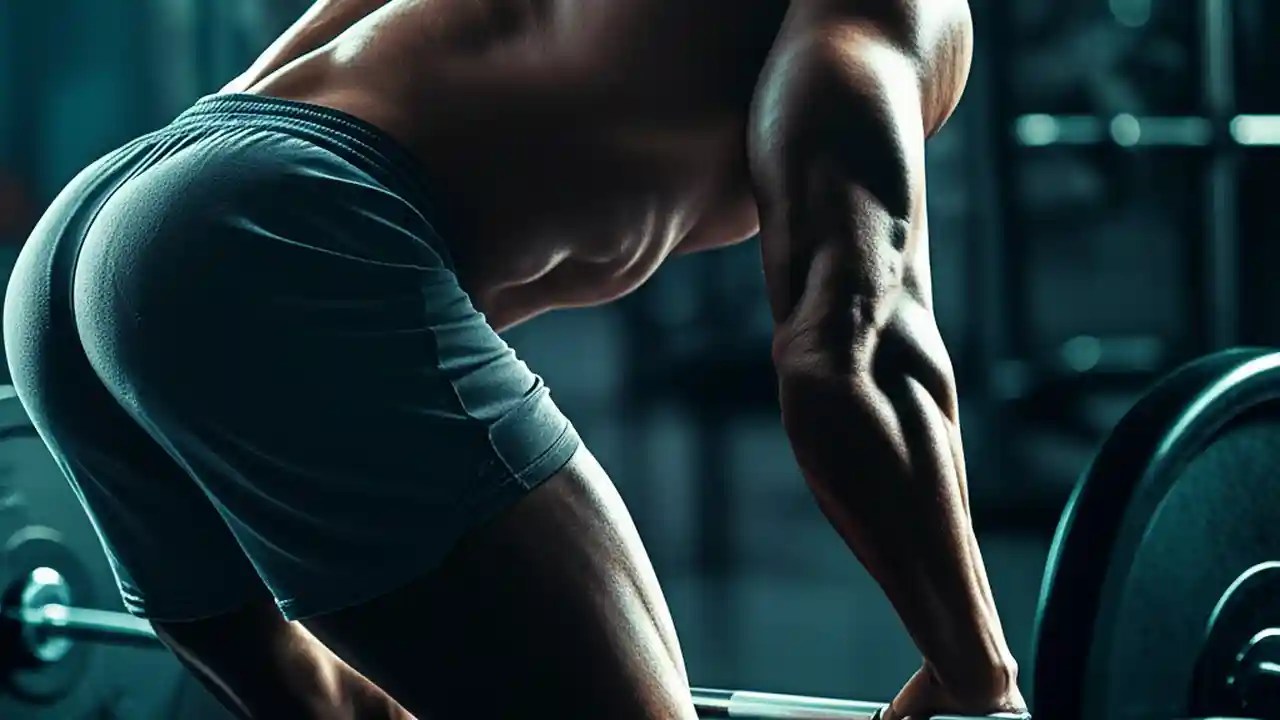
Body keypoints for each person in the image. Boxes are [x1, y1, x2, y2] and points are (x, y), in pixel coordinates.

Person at [3, 0, 1030, 718]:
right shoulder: (891, 6)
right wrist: (978, 676)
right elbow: (850, 354)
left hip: (100, 236)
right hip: (272, 234)